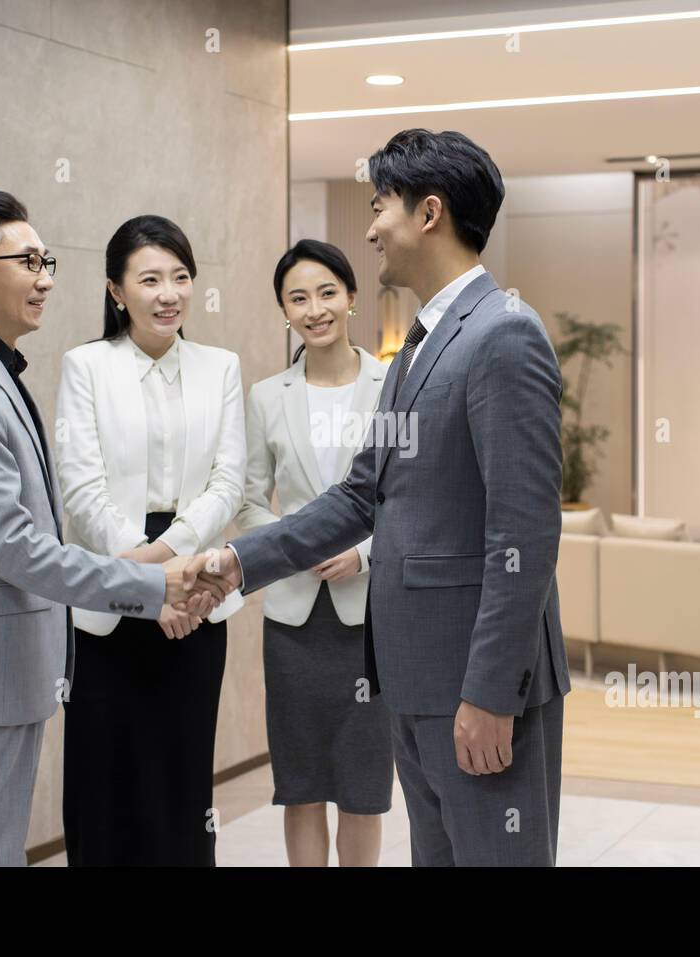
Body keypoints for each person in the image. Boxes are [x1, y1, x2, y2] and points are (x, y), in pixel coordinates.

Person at [197, 130, 570, 866]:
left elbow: (523, 534)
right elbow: (357, 497)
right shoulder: (418, 350)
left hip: (478, 688)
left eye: (380, 207)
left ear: (429, 213)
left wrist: (492, 693)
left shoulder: (504, 336)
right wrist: (234, 563)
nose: (369, 228)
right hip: (414, 680)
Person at [0, 191, 217, 867]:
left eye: (47, 260)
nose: (45, 276)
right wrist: (147, 582)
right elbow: (16, 545)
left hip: (5, 669)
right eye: (27, 260)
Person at [55, 215, 245, 866]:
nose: (169, 293)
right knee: (103, 776)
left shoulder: (221, 367)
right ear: (116, 291)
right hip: (110, 587)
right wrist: (140, 576)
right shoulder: (86, 366)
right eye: (150, 279)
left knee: (183, 774)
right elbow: (80, 486)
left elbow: (228, 481)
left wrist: (170, 564)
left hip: (196, 583)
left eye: (181, 276)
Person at [237, 240, 392, 866]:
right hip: (294, 620)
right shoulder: (266, 396)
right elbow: (248, 502)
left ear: (351, 297)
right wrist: (292, 547)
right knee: (300, 786)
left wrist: (365, 554)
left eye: (327, 292)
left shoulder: (394, 385)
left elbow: (412, 500)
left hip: (371, 619)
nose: (315, 308)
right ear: (284, 310)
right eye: (298, 297)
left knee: (364, 786)